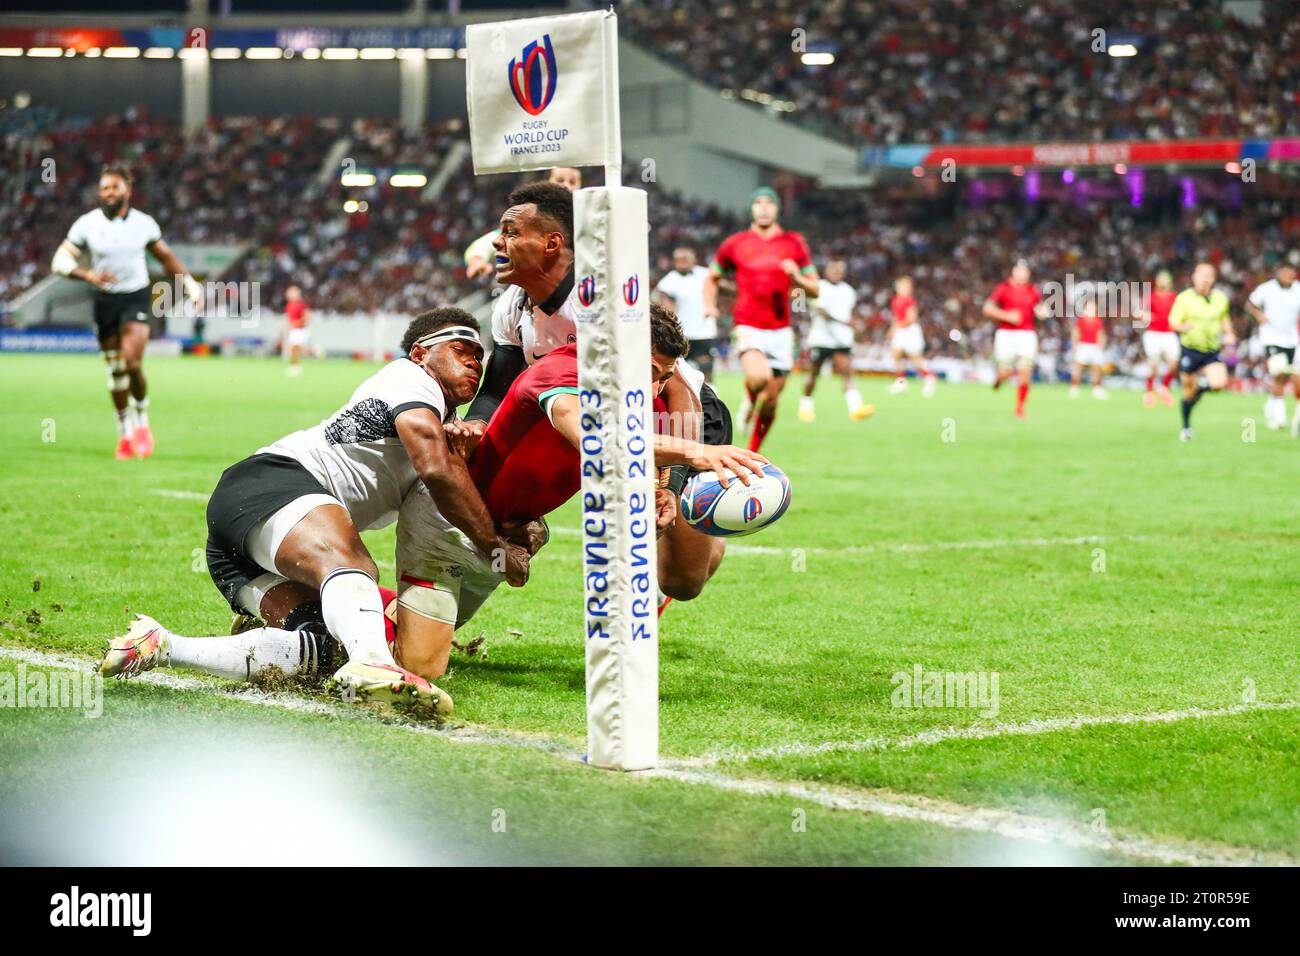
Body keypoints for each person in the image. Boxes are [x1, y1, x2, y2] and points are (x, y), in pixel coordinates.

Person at [99, 308, 530, 716]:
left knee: (322, 650)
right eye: (460, 350)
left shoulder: (441, 419)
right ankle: (377, 664)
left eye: (479, 355)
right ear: (420, 353)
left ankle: (162, 646)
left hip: (233, 555)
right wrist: (493, 544)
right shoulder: (411, 379)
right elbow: (436, 471)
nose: (474, 362)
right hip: (270, 483)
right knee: (353, 564)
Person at [51, 163, 203, 459]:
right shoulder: (87, 224)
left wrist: (189, 285)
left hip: (136, 297)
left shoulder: (143, 223)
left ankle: (143, 422)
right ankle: (124, 434)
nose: (108, 193)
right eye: (104, 188)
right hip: (104, 300)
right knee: (115, 371)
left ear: (127, 190)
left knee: (132, 361)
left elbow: (166, 257)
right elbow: (59, 262)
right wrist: (88, 275)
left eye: (114, 187)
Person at [703, 187, 820, 451]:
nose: (764, 207)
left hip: (781, 330)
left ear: (777, 208)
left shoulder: (793, 243)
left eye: (769, 203)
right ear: (752, 208)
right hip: (748, 323)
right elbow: (712, 277)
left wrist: (797, 279)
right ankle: (749, 395)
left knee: (771, 401)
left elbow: (814, 289)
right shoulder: (736, 243)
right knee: (759, 378)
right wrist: (710, 305)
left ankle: (753, 451)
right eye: (759, 202)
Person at [464, 167, 582, 280]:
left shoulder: (587, 218)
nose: (566, 186)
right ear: (547, 183)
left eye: (572, 182)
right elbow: (484, 244)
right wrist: (476, 260)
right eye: (559, 180)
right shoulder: (533, 218)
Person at [798, 259, 875, 422]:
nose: (837, 272)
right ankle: (805, 406)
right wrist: (843, 322)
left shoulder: (848, 291)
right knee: (813, 374)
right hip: (821, 339)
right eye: (834, 269)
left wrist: (856, 325)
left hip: (841, 340)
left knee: (846, 372)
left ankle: (855, 408)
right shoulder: (819, 287)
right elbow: (820, 310)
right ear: (827, 271)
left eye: (840, 270)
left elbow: (850, 312)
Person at [1170, 262, 1237, 442]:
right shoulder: (1184, 298)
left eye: (1209, 275)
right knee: (1187, 393)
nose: (1205, 279)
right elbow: (1173, 322)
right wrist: (1185, 326)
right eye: (1201, 275)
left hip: (1211, 351)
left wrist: (1230, 334)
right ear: (1194, 277)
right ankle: (1185, 427)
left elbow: (1225, 320)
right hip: (1190, 350)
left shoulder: (1220, 299)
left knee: (1219, 383)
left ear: (1214, 279)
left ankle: (1199, 388)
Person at [983, 259, 1048, 418]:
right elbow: (987, 308)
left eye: (1025, 271)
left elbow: (1038, 308)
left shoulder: (1033, 290)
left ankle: (1020, 407)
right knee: (1006, 370)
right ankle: (999, 379)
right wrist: (1006, 315)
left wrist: (1042, 312)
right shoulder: (1003, 288)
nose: (1023, 274)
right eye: (1020, 270)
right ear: (1014, 271)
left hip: (1026, 333)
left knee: (1025, 369)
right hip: (1006, 333)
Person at [1244, 260, 1300, 432]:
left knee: (1287, 377)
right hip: (1271, 337)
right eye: (1285, 272)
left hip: (1291, 339)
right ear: (1279, 273)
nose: (1288, 276)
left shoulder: (1298, 289)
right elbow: (1249, 305)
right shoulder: (1267, 289)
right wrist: (1258, 314)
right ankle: (1280, 418)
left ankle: (1272, 405)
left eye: (1291, 273)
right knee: (1279, 373)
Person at [654, 246, 716, 381]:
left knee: (706, 367)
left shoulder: (705, 274)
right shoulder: (668, 282)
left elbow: (719, 285)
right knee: (680, 373)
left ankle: (711, 397)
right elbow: (665, 306)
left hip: (704, 331)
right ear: (674, 262)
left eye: (686, 259)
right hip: (682, 334)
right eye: (679, 260)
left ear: (694, 259)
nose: (683, 262)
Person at [886, 275, 937, 397]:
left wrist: (896, 327)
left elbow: (911, 319)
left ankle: (929, 378)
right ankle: (901, 383)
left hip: (910, 331)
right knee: (896, 355)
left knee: (915, 358)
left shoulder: (909, 301)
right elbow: (896, 317)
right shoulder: (895, 300)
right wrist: (892, 329)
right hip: (901, 330)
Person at [1141, 270, 1179, 408]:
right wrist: (1144, 315)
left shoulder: (1174, 297)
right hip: (1154, 333)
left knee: (1174, 363)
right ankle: (1149, 392)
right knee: (1153, 365)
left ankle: (1164, 387)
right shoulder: (1151, 297)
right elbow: (1143, 312)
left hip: (1169, 333)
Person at [1070, 290, 1108, 399]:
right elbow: (1076, 332)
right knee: (1079, 366)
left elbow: (1101, 334)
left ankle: (1096, 388)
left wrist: (1101, 346)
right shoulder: (1081, 320)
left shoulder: (1098, 321)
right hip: (1083, 345)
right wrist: (1075, 344)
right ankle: (1074, 387)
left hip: (1094, 346)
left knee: (1096, 368)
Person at [283, 285, 310, 377]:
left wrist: (298, 322)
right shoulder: (288, 305)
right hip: (294, 330)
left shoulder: (301, 305)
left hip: (300, 329)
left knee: (295, 348)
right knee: (294, 349)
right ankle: (295, 366)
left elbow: (306, 317)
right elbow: (289, 319)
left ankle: (295, 366)